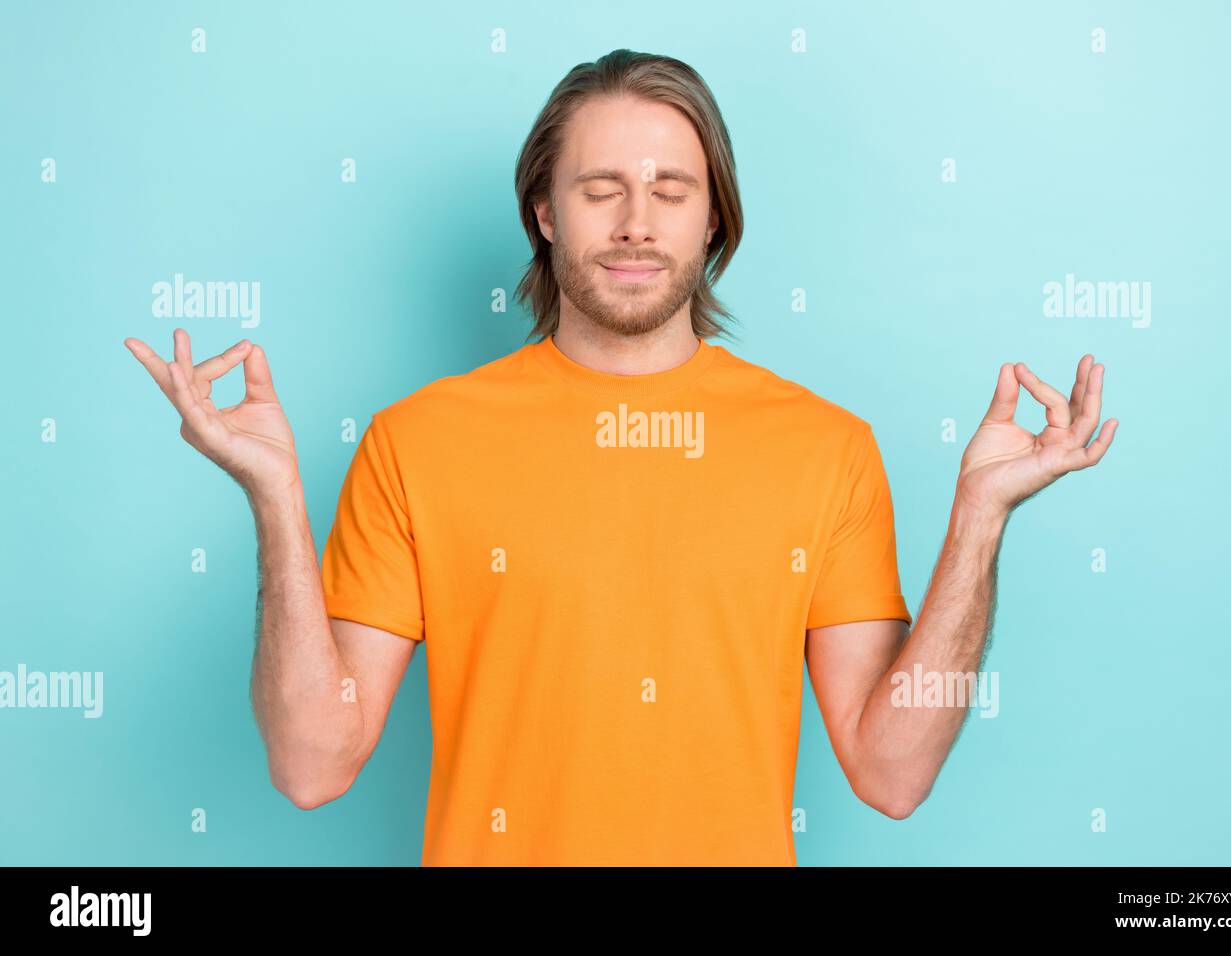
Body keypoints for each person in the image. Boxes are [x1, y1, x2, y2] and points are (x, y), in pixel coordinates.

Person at [124, 49, 1116, 866]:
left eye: (669, 191)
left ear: (712, 217)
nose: (636, 221)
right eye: (600, 189)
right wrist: (275, 498)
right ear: (546, 213)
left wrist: (980, 518)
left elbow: (891, 773)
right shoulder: (415, 440)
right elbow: (312, 762)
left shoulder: (825, 448)